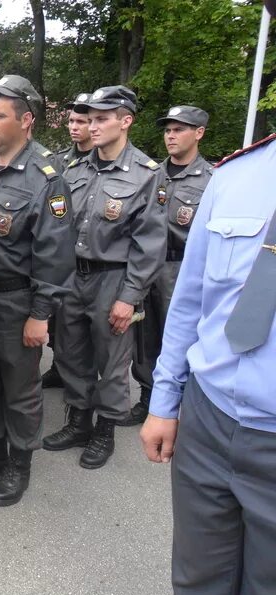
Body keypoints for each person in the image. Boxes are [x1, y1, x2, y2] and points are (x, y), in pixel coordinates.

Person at [141, 130, 276, 595]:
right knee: (197, 582)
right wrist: (164, 401)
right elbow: (190, 300)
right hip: (209, 420)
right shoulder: (237, 176)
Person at [0, 75, 75, 506]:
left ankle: (19, 463)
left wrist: (40, 314)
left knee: (20, 390)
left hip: (15, 301)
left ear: (26, 121)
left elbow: (55, 254)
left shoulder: (46, 179)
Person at [43, 85, 166, 469]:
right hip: (71, 277)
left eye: (101, 119)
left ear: (125, 121)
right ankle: (77, 422)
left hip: (113, 279)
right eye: (89, 119)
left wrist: (129, 297)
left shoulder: (146, 175)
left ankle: (104, 430)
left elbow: (149, 245)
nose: (92, 127)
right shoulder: (73, 168)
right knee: (70, 352)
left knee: (112, 361)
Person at [124, 105, 212, 426]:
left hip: (181, 268)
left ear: (199, 132)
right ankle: (148, 395)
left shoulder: (211, 180)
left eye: (179, 129)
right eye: (168, 130)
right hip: (147, 265)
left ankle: (181, 404)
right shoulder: (149, 173)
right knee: (144, 335)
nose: (170, 136)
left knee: (179, 335)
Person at [42, 92, 95, 389]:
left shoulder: (100, 161)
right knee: (58, 321)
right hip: (62, 256)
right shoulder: (59, 161)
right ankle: (59, 368)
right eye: (72, 120)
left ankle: (83, 381)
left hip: (91, 258)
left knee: (83, 329)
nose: (75, 127)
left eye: (82, 121)